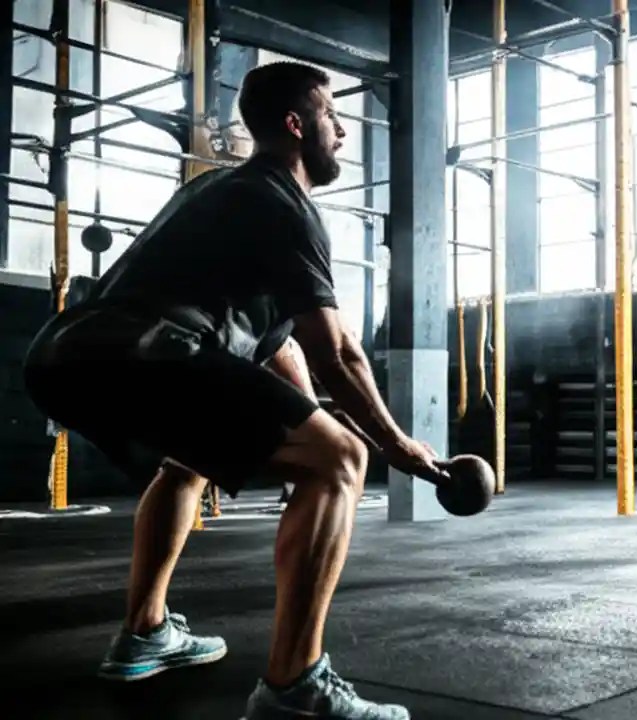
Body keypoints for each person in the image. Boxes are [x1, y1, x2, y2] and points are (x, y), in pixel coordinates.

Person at [23, 62, 433, 720]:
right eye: (332, 116)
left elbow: (288, 363)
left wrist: (320, 427)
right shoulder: (284, 203)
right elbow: (338, 352)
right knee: (341, 463)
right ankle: (295, 690)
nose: (343, 132)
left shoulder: (220, 194)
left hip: (63, 354)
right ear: (297, 126)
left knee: (193, 459)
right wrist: (393, 442)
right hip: (145, 349)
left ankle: (145, 631)